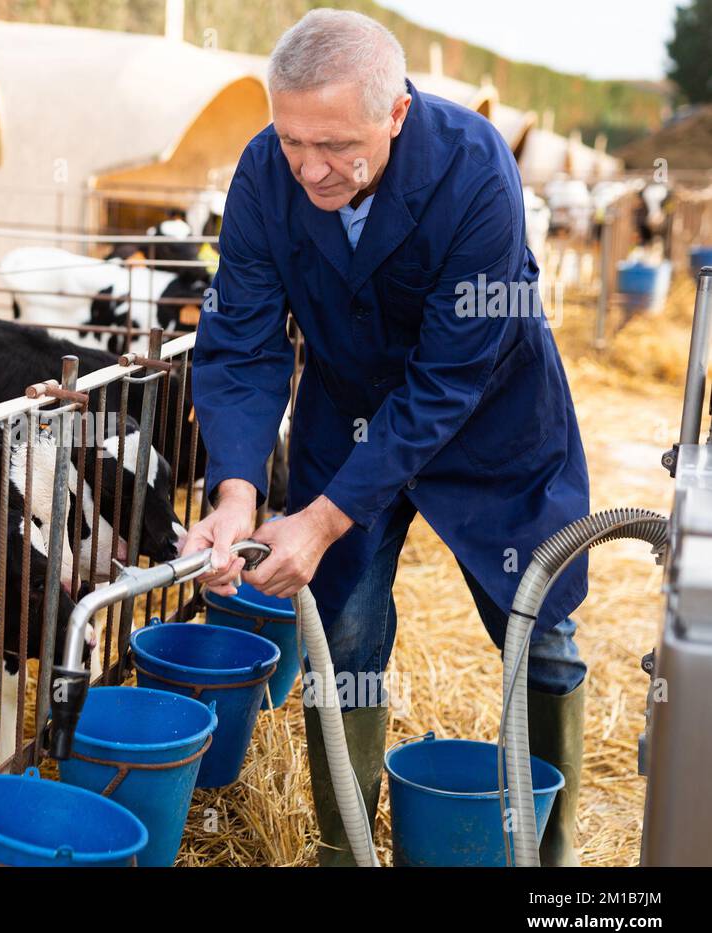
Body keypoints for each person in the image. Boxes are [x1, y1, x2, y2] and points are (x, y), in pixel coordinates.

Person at [182, 9, 590, 866]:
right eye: (292, 139)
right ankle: (345, 849)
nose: (311, 167)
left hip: (494, 427)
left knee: (539, 623)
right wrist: (237, 490)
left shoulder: (476, 169)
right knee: (346, 631)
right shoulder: (266, 173)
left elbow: (448, 379)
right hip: (346, 414)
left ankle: (548, 862)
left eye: (336, 144)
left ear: (396, 113)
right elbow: (245, 340)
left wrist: (323, 517)